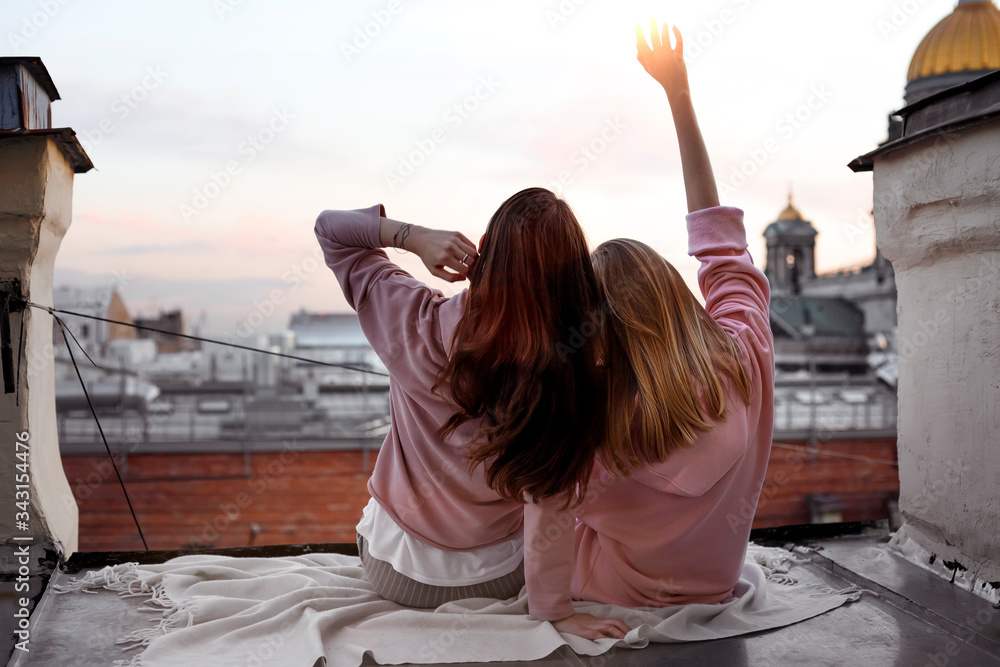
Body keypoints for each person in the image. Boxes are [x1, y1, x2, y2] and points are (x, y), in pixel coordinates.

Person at [522, 19, 774, 640]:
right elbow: (718, 239)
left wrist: (555, 614)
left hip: (609, 594)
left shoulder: (596, 439)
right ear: (674, 298)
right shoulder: (746, 350)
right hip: (715, 584)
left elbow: (543, 513)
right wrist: (678, 93)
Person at [314, 187, 609, 608]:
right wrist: (555, 611)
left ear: (484, 248)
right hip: (503, 578)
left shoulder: (411, 317)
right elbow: (551, 508)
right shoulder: (568, 371)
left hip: (394, 572)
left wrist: (413, 237)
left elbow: (331, 229)